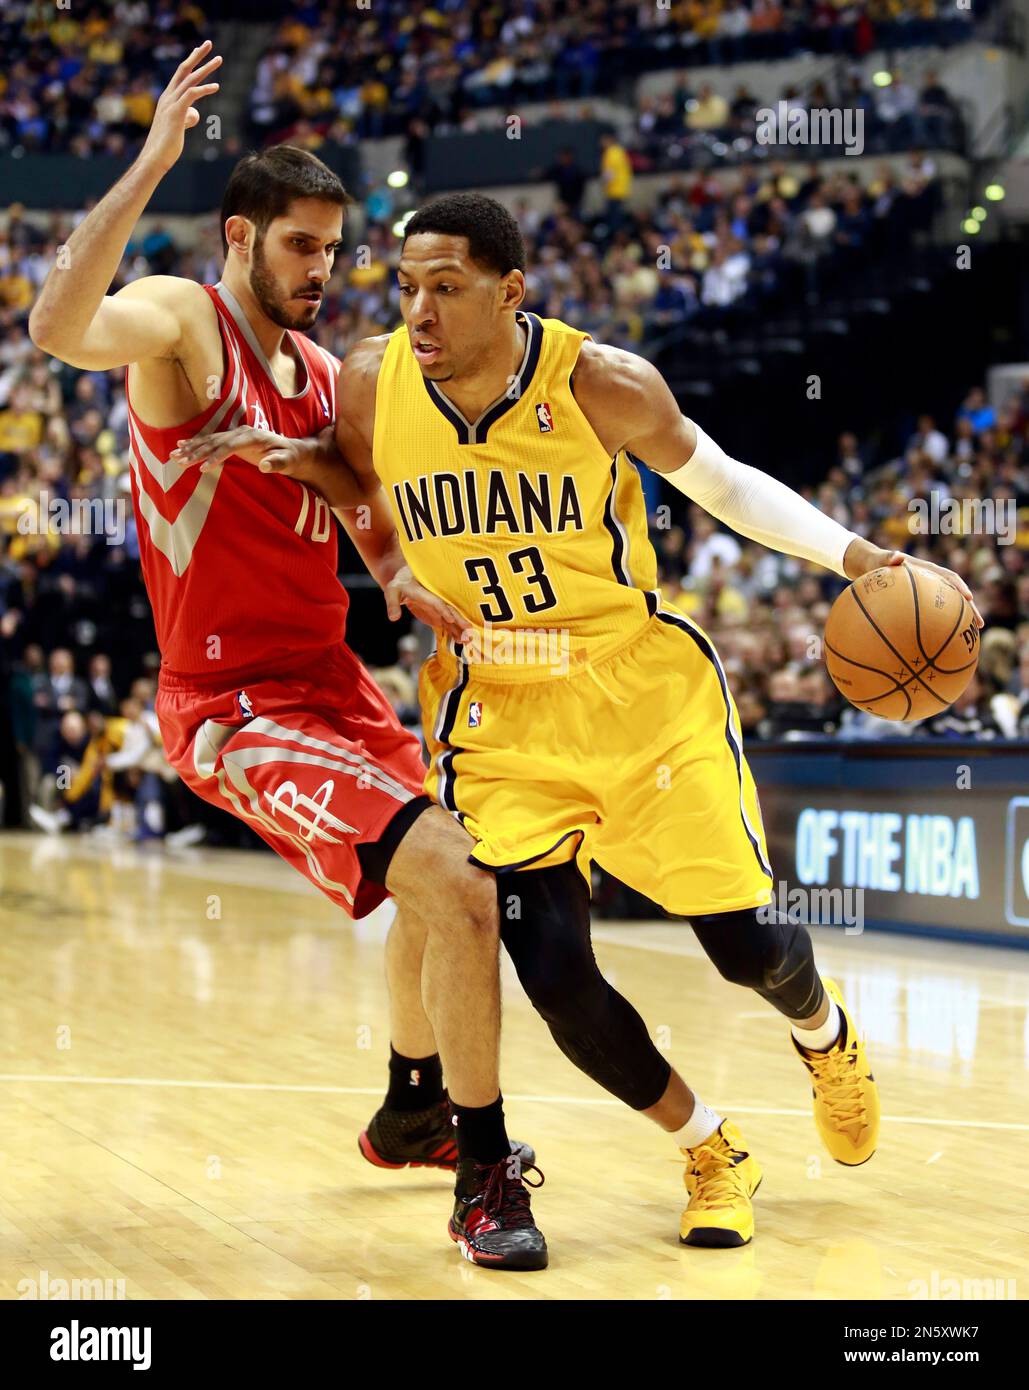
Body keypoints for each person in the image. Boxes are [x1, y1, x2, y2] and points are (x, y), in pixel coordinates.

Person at [179, 193, 981, 1251]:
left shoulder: (598, 382)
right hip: (495, 711)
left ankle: (824, 1034)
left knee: (745, 947)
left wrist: (855, 556)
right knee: (551, 969)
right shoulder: (374, 377)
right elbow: (357, 473)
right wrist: (316, 485)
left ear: (510, 292)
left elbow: (724, 482)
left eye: (446, 288)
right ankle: (710, 1145)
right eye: (407, 286)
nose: (418, 309)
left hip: (635, 691)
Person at [29, 46, 545, 1272]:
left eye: (335, 248)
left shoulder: (327, 374)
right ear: (241, 236)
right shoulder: (183, 324)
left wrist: (399, 573)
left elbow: (368, 502)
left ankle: (413, 1097)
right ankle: (482, 1174)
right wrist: (151, 158)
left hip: (336, 684)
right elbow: (58, 325)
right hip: (231, 705)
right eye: (304, 247)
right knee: (460, 888)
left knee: (458, 870)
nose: (328, 270)